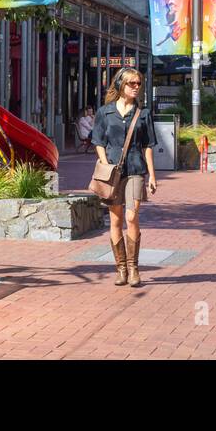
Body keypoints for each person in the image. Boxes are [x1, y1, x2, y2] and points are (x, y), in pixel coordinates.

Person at [91, 66, 157, 288]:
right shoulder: (104, 112)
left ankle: (133, 267)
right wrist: (105, 164)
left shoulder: (144, 113)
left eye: (138, 83)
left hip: (136, 169)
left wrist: (152, 175)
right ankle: (120, 269)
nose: (136, 87)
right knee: (116, 219)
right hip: (113, 174)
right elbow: (98, 141)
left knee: (131, 217)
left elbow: (148, 146)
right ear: (120, 84)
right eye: (132, 83)